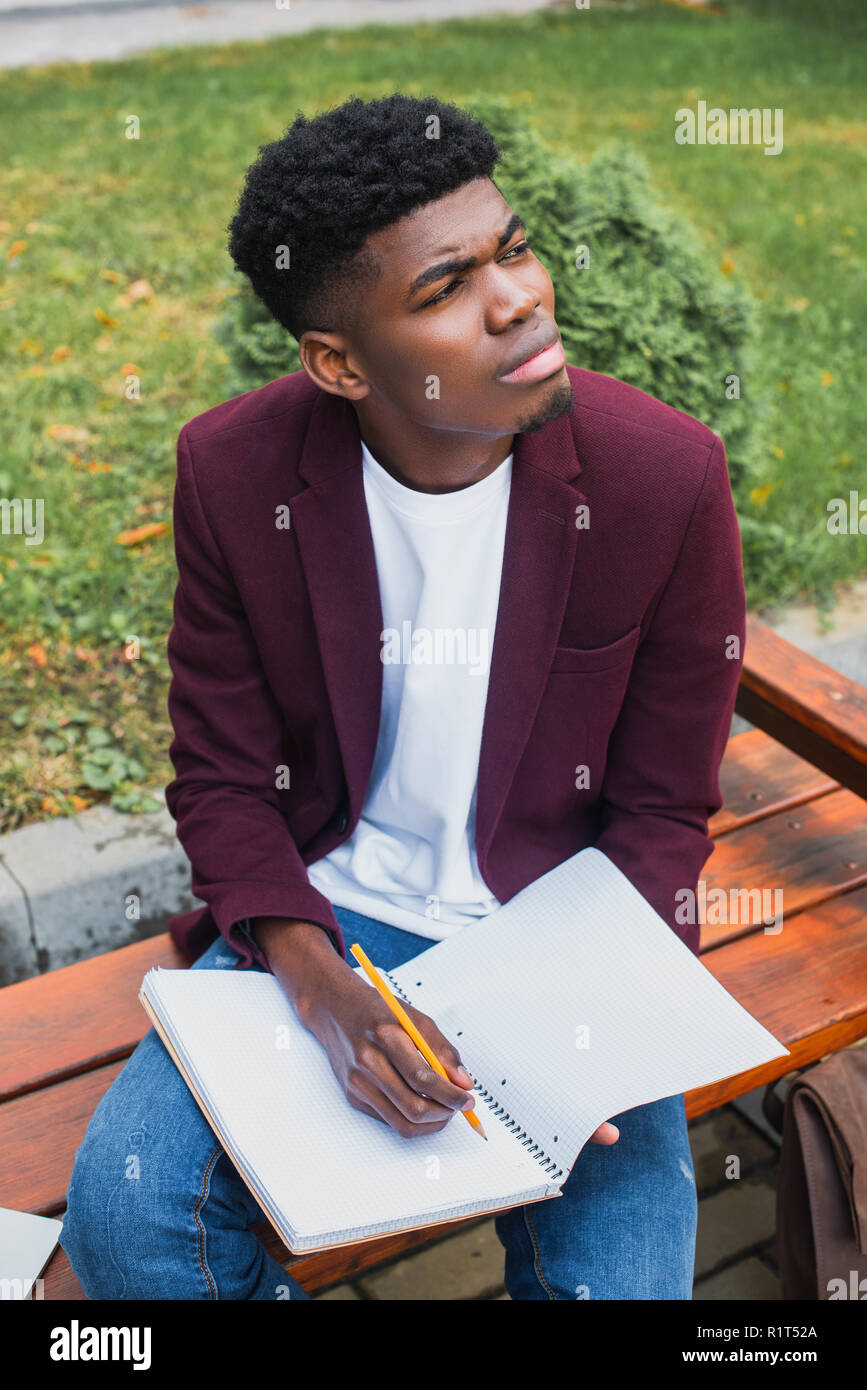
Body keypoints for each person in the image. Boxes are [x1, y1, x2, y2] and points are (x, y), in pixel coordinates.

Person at [61, 92, 746, 1300]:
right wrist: (322, 992)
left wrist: (590, 1029)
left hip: (563, 937)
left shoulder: (662, 477)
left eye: (515, 248)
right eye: (443, 291)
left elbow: (658, 817)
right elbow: (223, 779)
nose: (519, 296)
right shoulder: (234, 475)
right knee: (126, 1223)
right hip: (322, 920)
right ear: (337, 362)